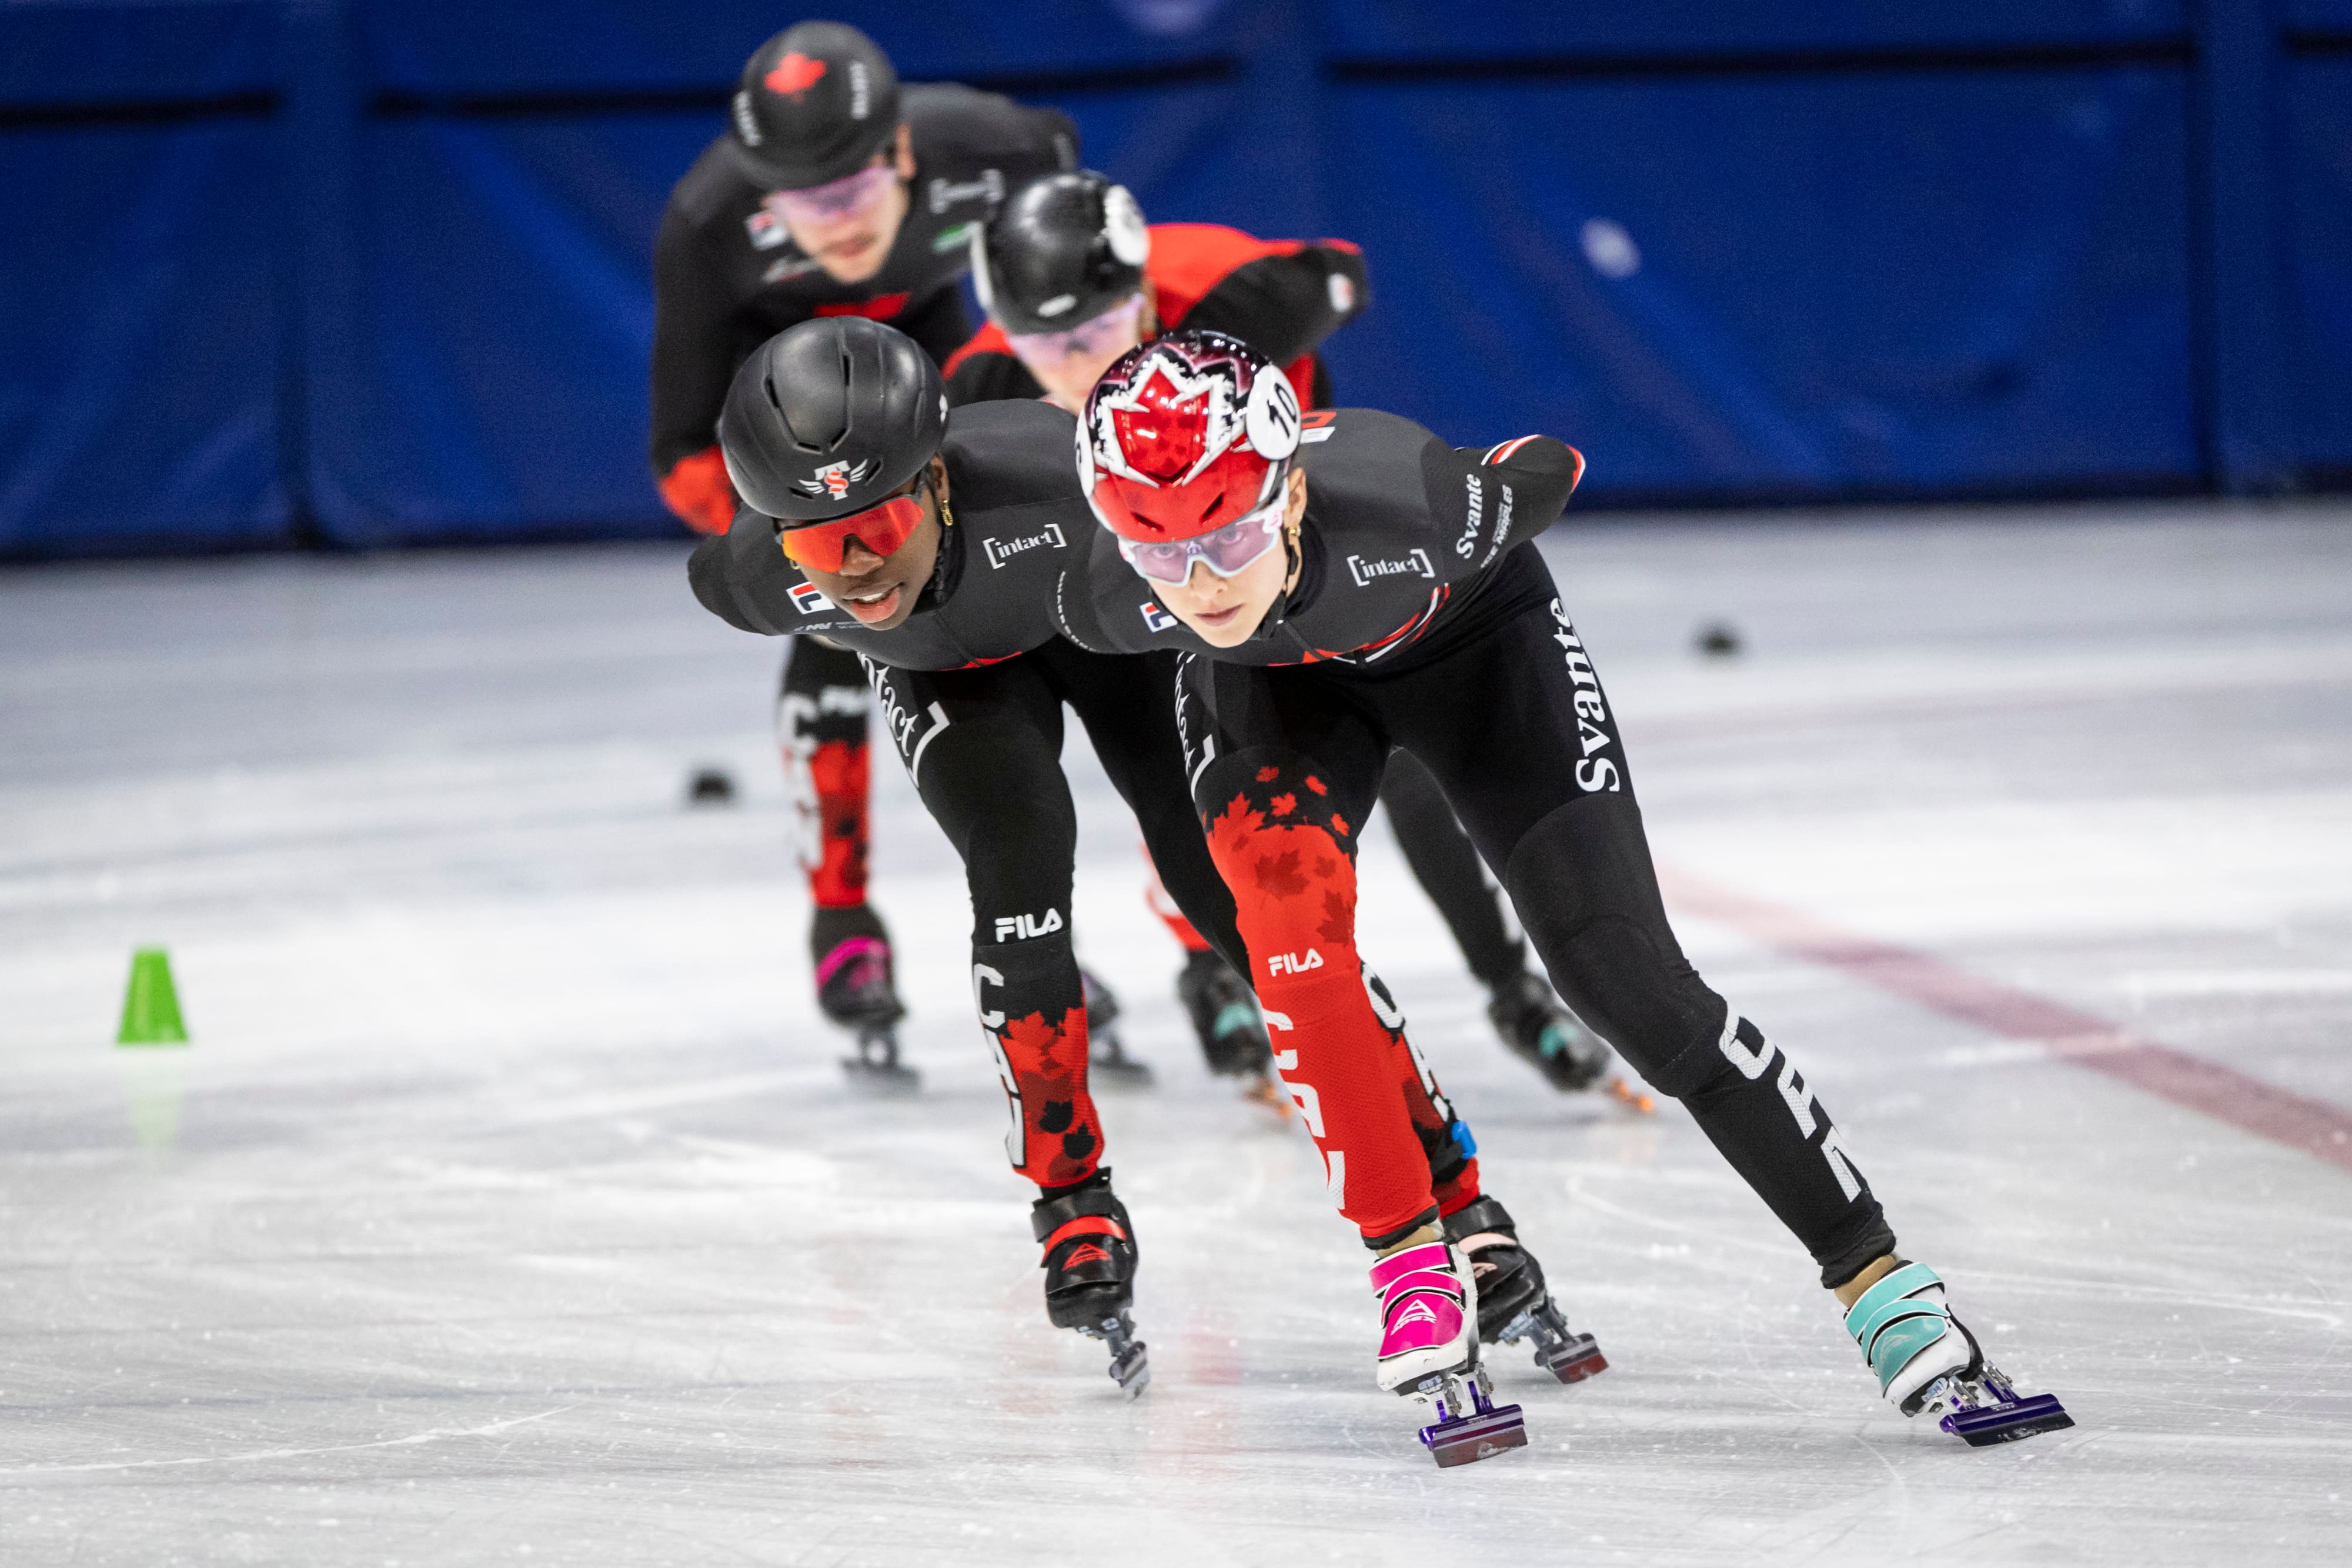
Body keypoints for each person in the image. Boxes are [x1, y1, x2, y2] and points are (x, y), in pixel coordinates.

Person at [1053, 329, 2073, 1460]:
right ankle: (1409, 1264)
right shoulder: (1110, 597)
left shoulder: (1427, 506)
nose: (1199, 583)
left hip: (1477, 655)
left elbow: (1553, 462)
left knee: (1621, 978)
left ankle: (1884, 1285)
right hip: (1279, 700)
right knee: (1289, 943)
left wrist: (1497, 479)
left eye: (1231, 536)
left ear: (1290, 491)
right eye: (1161, 558)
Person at [687, 317, 1606, 1401]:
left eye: (881, 518)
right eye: (814, 541)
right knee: (1017, 868)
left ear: (935, 479)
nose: (858, 567)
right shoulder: (748, 582)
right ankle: (1069, 1201)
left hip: (1111, 639)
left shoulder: (1055, 488)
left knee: (1243, 912)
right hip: (956, 686)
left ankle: (1456, 1200)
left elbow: (1255, 520)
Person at [950, 169, 1622, 1098]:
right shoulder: (982, 383)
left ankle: (1513, 990)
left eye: (1097, 332)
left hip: (1297, 546)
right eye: (1041, 344)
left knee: (1418, 771)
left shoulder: (1237, 296)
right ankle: (1210, 964)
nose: (1071, 366)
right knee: (1183, 754)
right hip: (1179, 578)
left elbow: (1343, 272)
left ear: (1142, 294)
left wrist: (1246, 352)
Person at [649, 20, 1077, 1076]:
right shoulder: (707, 227)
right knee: (834, 626)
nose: (831, 227)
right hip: (782, 397)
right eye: (799, 206)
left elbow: (1071, 251)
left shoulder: (997, 150)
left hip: (935, 354)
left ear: (900, 155)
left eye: (847, 195)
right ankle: (840, 917)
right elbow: (679, 452)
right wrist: (819, 554)